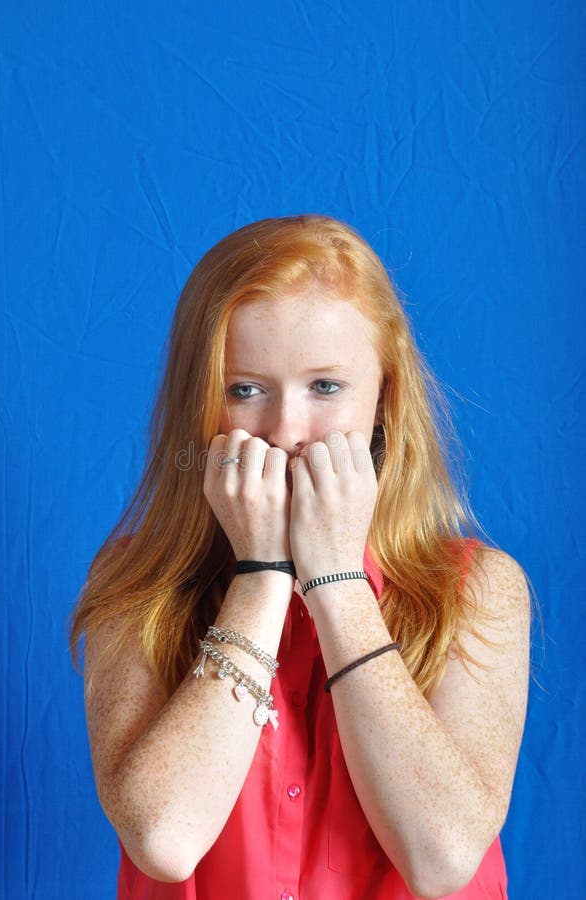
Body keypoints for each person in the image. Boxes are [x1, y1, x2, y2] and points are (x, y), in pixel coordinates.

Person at [70, 214, 531, 900]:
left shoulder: (480, 591)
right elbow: (164, 837)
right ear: (201, 404)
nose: (286, 432)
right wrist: (261, 578)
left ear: (384, 402)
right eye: (244, 389)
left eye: (325, 388)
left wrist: (338, 582)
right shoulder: (134, 585)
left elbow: (443, 858)